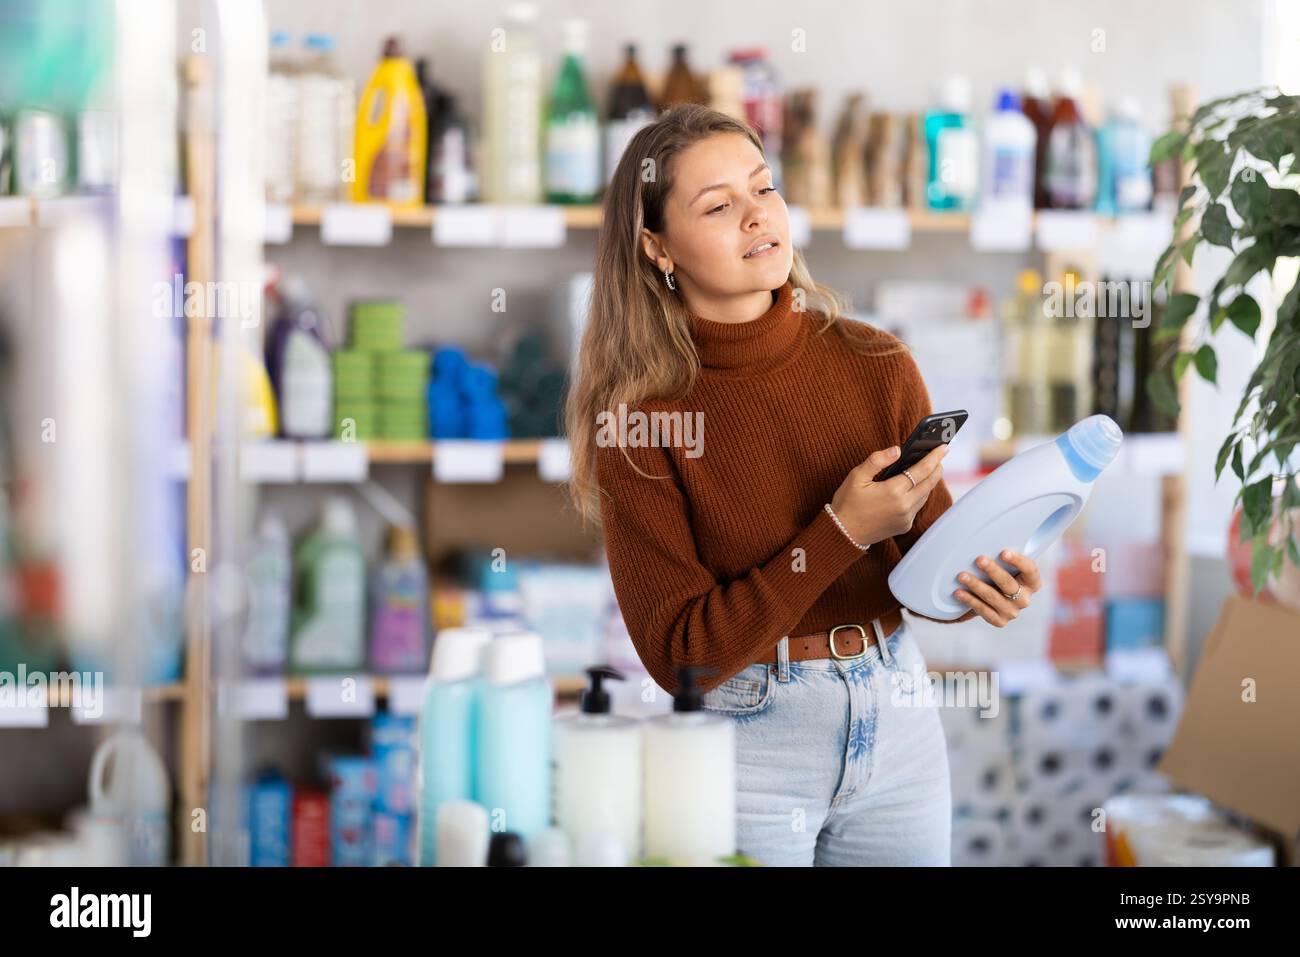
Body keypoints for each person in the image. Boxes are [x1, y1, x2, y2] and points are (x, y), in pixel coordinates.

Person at [564, 104, 1042, 866]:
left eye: (764, 188)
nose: (757, 217)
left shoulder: (876, 363)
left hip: (898, 719)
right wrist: (840, 530)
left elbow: (928, 565)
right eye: (719, 206)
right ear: (658, 247)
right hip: (743, 744)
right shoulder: (641, 424)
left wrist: (983, 579)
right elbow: (680, 650)